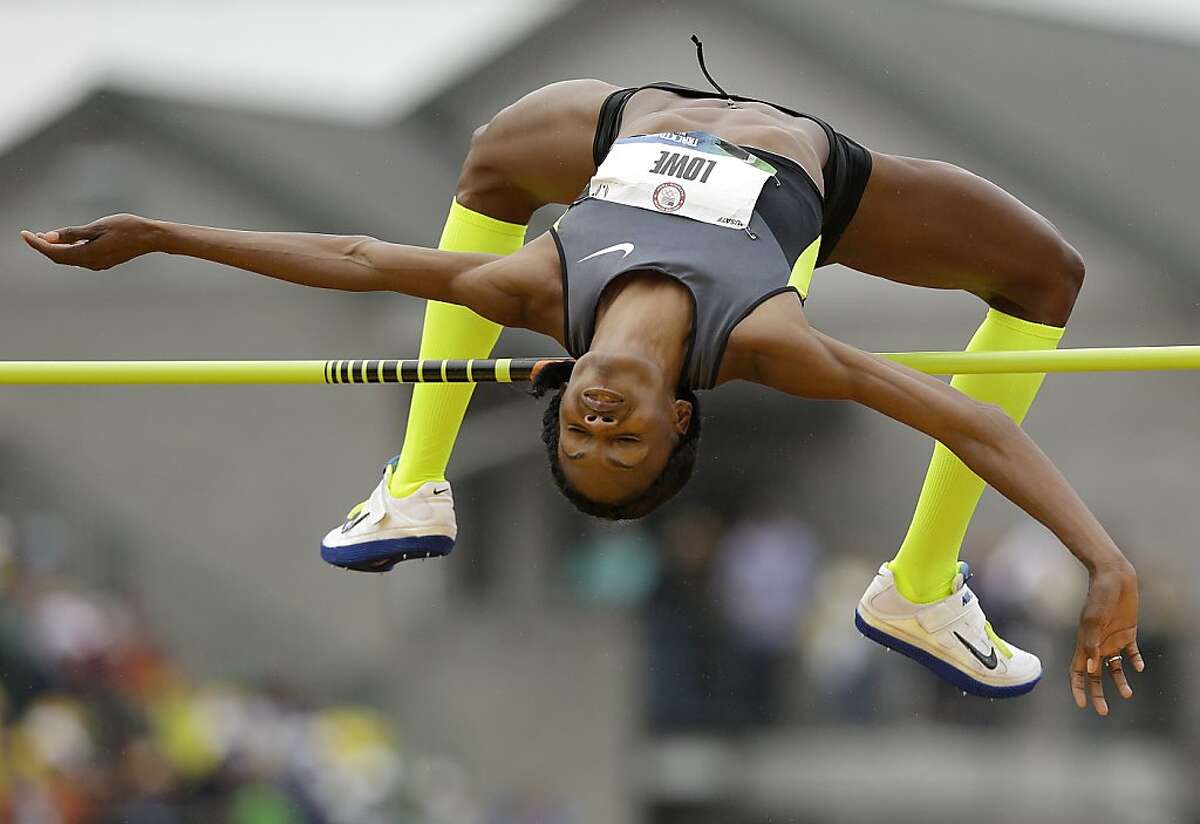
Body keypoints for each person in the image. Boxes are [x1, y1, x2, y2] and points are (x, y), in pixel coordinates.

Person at [20, 47, 1143, 714]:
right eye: (628, 445)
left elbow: (356, 258)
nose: (600, 428)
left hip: (628, 112)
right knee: (1049, 273)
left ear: (557, 399)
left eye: (581, 440)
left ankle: (415, 479)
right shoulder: (765, 339)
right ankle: (922, 579)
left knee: (496, 155)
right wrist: (1102, 555)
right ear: (677, 414)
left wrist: (158, 231)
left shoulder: (537, 286)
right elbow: (964, 420)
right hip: (825, 173)